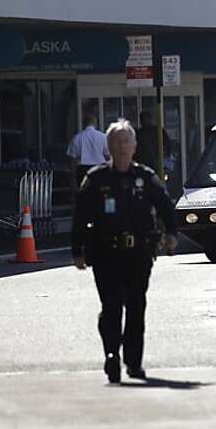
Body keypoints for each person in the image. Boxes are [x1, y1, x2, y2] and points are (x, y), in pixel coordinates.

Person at [72, 119, 177, 384]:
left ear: (134, 146)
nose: (121, 147)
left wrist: (171, 235)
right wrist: (78, 250)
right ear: (108, 148)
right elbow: (80, 216)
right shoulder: (96, 179)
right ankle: (111, 355)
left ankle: (134, 362)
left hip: (139, 254)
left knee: (136, 307)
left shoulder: (145, 177)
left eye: (126, 141)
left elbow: (166, 207)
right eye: (116, 142)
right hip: (106, 254)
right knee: (111, 308)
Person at [67, 115, 109, 187]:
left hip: (83, 170)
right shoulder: (103, 137)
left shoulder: (77, 138)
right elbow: (108, 156)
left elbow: (72, 160)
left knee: (84, 193)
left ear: (83, 124)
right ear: (95, 124)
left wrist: (72, 179)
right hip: (100, 168)